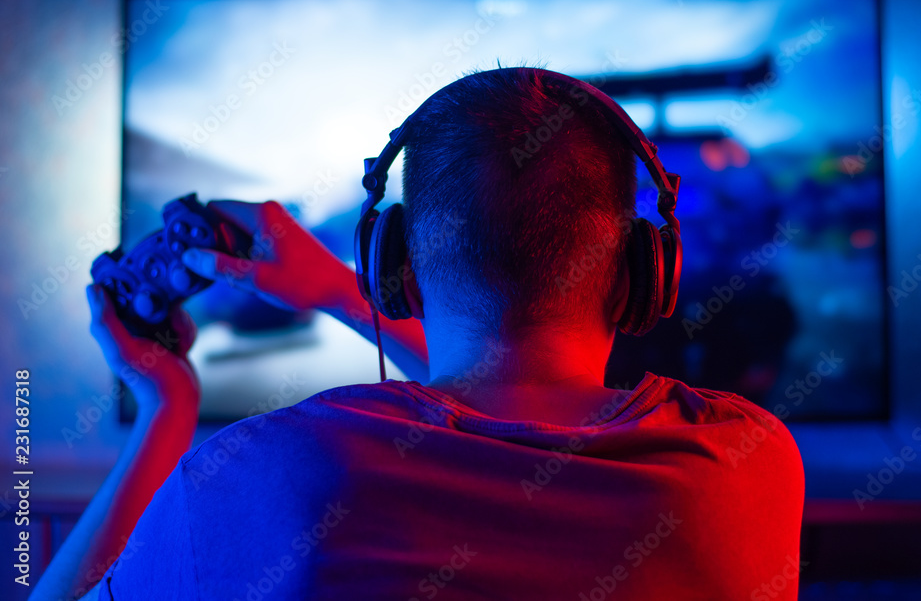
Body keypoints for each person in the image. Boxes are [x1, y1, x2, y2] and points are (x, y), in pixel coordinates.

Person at [34, 67, 804, 600]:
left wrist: (164, 410)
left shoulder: (260, 476)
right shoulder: (745, 467)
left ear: (394, 262)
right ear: (642, 270)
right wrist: (342, 290)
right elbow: (511, 389)